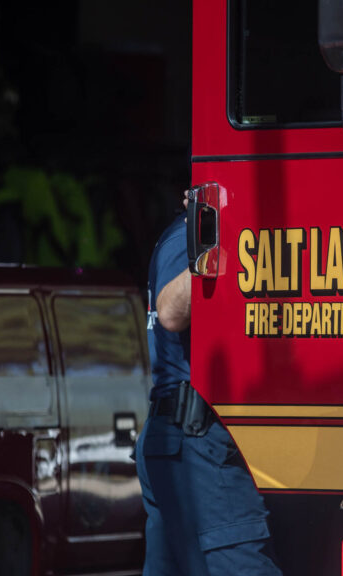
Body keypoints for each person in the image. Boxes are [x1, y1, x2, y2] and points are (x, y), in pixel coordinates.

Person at [137, 207, 282, 576]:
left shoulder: (182, 237)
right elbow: (169, 311)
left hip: (179, 437)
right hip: (195, 440)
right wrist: (214, 238)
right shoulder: (184, 239)